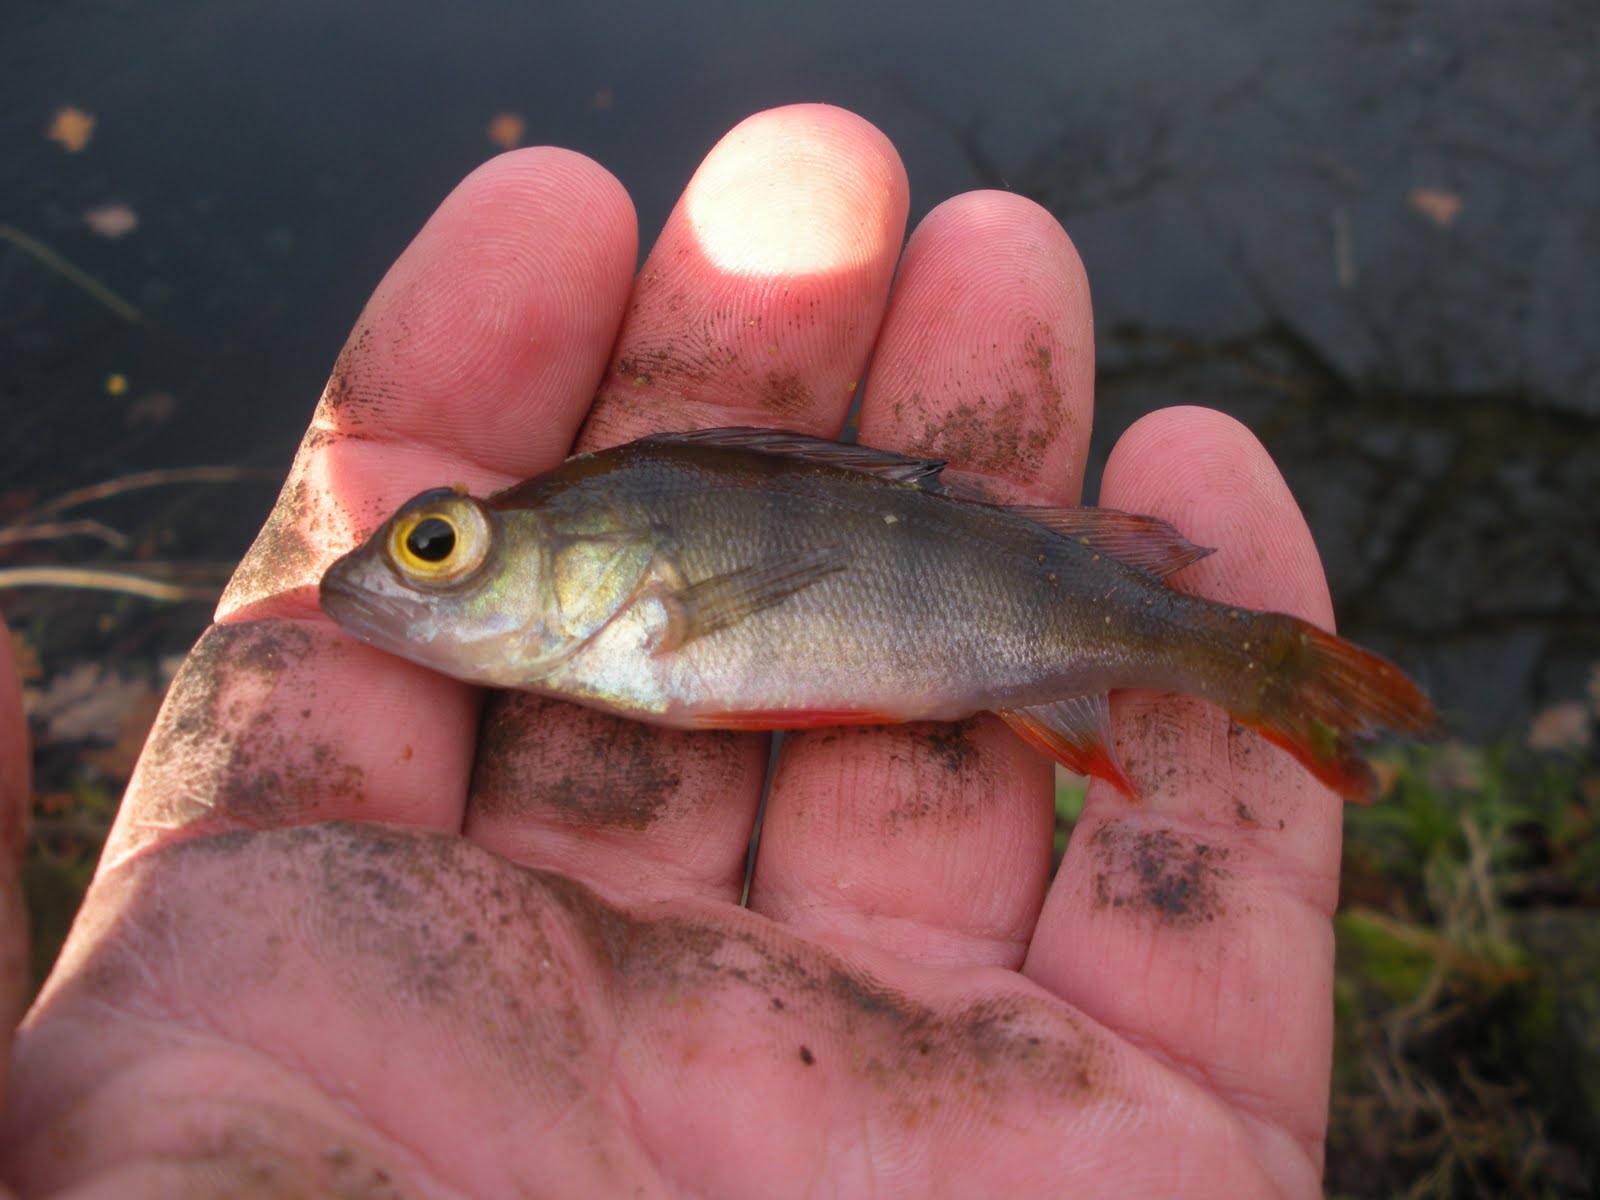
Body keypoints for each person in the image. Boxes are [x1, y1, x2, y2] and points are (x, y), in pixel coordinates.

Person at [0, 105, 1344, 1197]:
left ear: (597, 572)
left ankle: (1260, 671)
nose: (400, 576)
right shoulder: (607, 582)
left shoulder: (629, 580)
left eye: (437, 550)